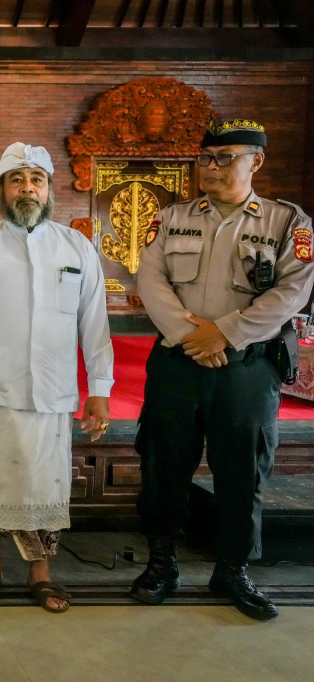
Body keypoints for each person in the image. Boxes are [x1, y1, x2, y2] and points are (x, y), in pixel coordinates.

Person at [132, 118, 314, 621]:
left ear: (256, 161)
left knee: (242, 471)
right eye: (205, 158)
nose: (211, 167)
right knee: (163, 464)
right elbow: (151, 279)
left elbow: (293, 289)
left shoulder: (286, 222)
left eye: (225, 158)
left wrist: (227, 333)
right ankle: (161, 563)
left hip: (247, 367)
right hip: (179, 361)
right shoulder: (171, 217)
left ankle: (232, 569)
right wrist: (191, 336)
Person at [0, 143, 113, 613]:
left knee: (45, 484)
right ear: (1, 189)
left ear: (49, 189)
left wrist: (100, 389)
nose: (27, 188)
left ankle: (41, 573)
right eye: (16, 180)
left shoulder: (76, 247)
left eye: (36, 179)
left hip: (54, 391)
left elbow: (94, 323)